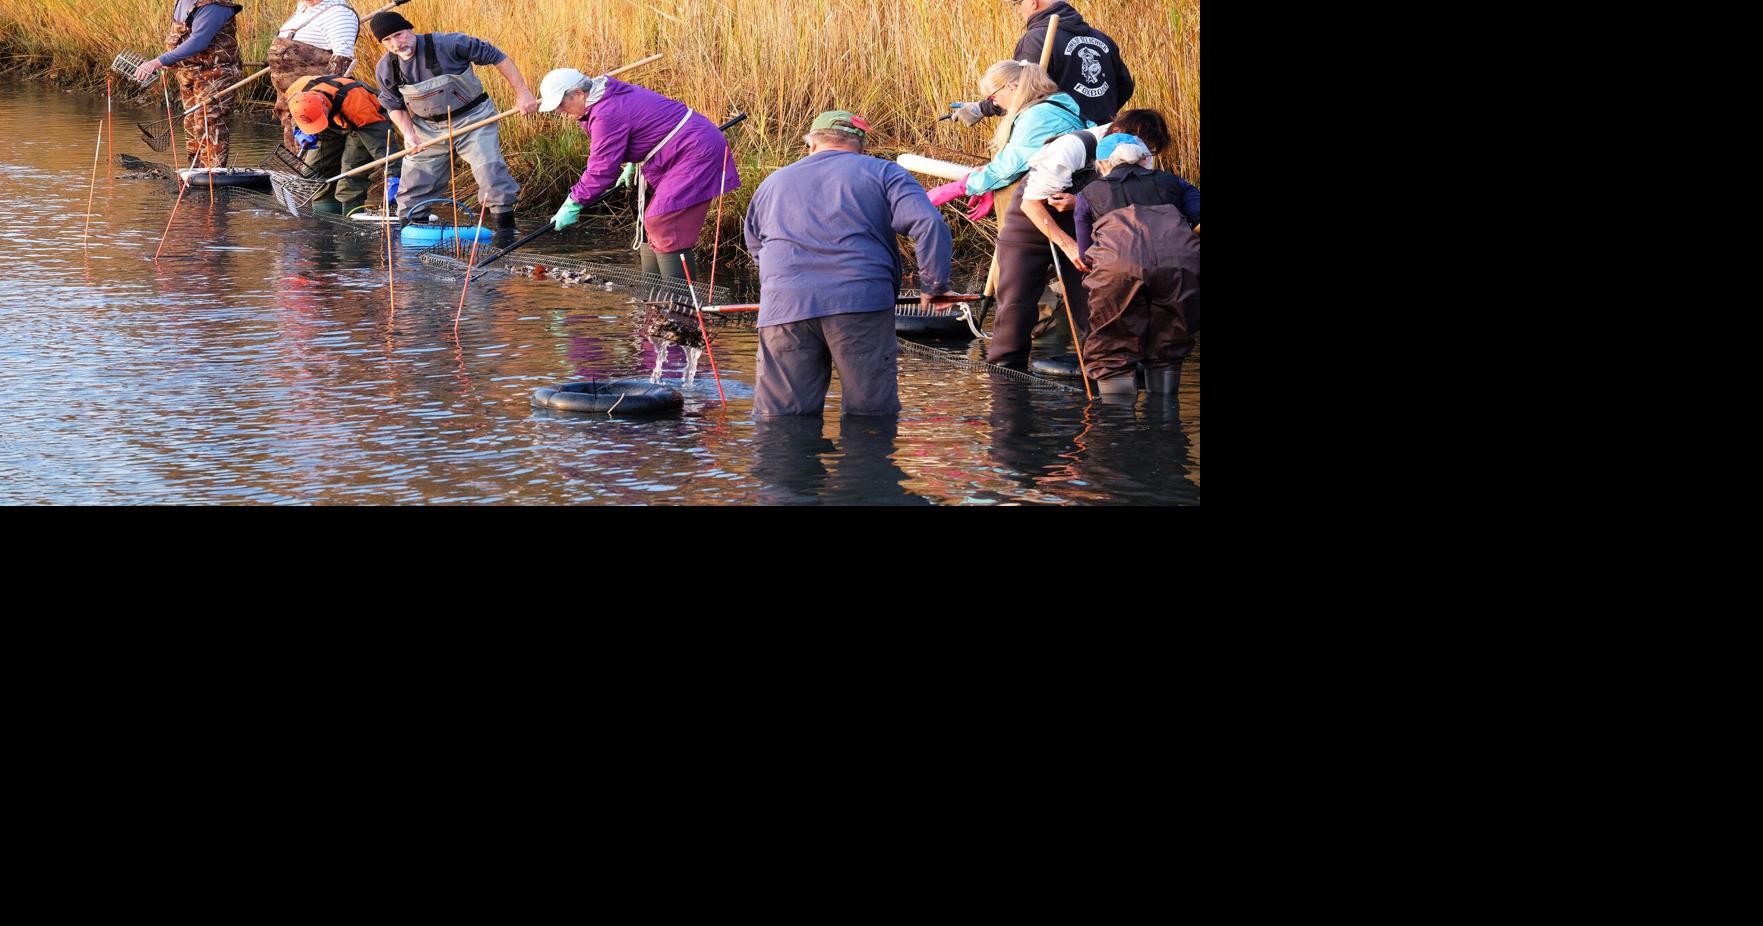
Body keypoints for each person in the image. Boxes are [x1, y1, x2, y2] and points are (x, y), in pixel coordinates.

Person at [743, 112, 953, 417]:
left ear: (812, 144)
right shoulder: (885, 172)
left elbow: (756, 245)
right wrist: (934, 286)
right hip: (861, 302)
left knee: (781, 418)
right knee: (870, 413)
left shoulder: (772, 182)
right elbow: (929, 224)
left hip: (783, 305)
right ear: (861, 146)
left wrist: (782, 287)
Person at [924, 60, 1089, 368]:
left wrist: (960, 187)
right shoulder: (1063, 106)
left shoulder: (1038, 116)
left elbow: (1009, 165)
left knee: (1015, 291)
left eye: (994, 95)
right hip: (1071, 205)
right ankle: (1109, 363)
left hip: (1041, 205)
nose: (994, 102)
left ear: (1013, 87)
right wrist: (988, 183)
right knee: (1083, 286)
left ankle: (1006, 367)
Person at [1014, 108, 1192, 373]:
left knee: (1109, 334)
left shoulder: (1095, 191)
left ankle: (1110, 382)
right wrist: (1068, 245)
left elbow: (1089, 251)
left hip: (1115, 255)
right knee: (1166, 345)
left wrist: (1081, 207)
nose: (1146, 156)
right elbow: (1030, 203)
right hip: (1038, 215)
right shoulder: (1073, 147)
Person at [538, 68, 740, 287]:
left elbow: (601, 169)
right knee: (648, 225)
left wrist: (574, 202)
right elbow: (644, 123)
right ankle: (653, 296)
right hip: (675, 152)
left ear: (578, 93)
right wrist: (632, 163)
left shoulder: (606, 111)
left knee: (662, 221)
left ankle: (679, 302)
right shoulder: (602, 100)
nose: (560, 111)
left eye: (560, 105)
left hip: (696, 152)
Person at [369, 10, 539, 246]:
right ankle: (412, 241)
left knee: (490, 175)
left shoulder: (449, 43)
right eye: (387, 40)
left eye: (399, 35)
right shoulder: (386, 67)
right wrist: (409, 134)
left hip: (474, 119)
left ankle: (506, 235)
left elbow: (497, 56)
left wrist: (522, 92)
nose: (396, 44)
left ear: (410, 28)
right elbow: (393, 105)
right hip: (427, 129)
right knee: (412, 187)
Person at [1072, 134, 1201, 396]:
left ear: (1103, 164)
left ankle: (1117, 418)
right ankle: (1165, 414)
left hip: (1117, 270)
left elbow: (1085, 255)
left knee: (1112, 347)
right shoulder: (1174, 182)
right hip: (1179, 266)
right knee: (1169, 344)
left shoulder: (1089, 193)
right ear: (1144, 159)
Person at [132, 0, 243, 169]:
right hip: (189, 75)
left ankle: (212, 176)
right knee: (191, 126)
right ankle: (195, 173)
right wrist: (174, 60)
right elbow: (183, 38)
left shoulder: (213, 6)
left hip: (215, 75)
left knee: (208, 125)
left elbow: (198, 42)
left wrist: (158, 61)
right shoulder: (183, 2)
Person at [287, 73, 402, 215]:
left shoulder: (357, 104)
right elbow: (293, 115)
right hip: (333, 123)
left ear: (323, 103)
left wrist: (393, 175)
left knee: (351, 175)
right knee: (316, 171)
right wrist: (300, 130)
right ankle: (325, 220)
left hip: (364, 126)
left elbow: (381, 144)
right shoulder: (297, 93)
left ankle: (349, 220)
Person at [1009, 0, 1132, 127]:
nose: (1019, 10)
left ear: (1033, 2)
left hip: (1059, 134)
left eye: (1019, 3)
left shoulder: (1035, 40)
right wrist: (1103, 114)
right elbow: (1125, 86)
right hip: (1105, 131)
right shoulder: (1102, 37)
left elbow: (1023, 93)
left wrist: (993, 106)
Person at [269, 0, 362, 152]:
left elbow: (342, 64)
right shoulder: (303, 8)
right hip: (291, 103)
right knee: (295, 153)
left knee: (313, 157)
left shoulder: (338, 13)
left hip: (314, 106)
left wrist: (317, 107)